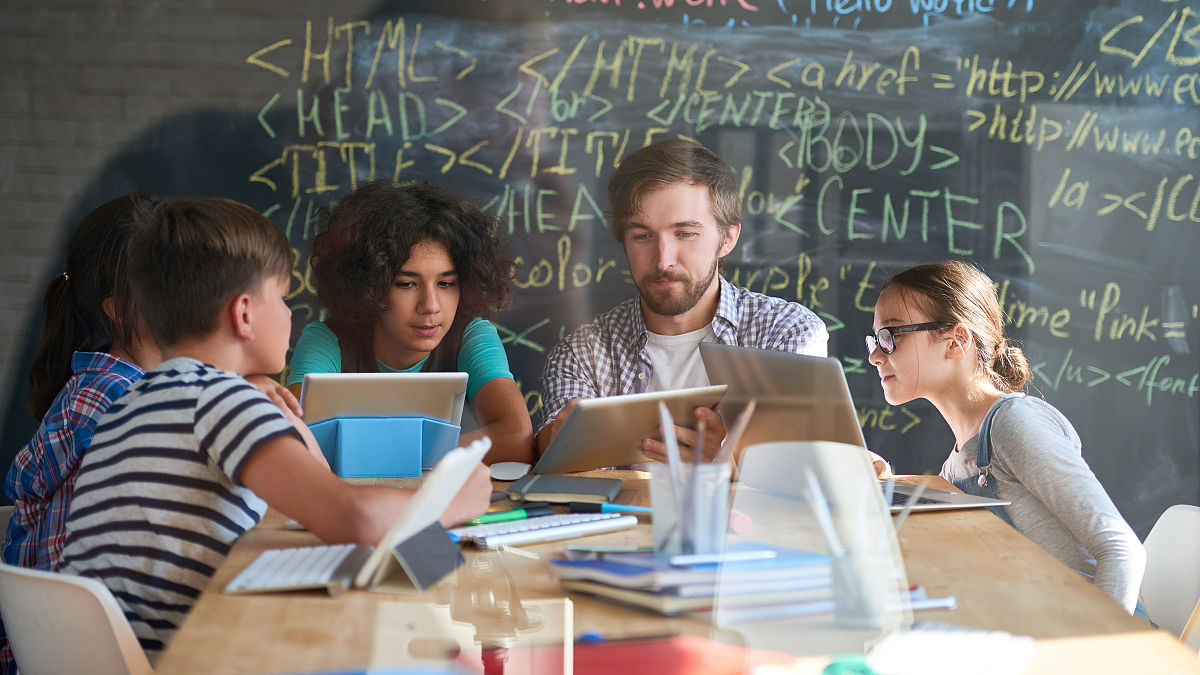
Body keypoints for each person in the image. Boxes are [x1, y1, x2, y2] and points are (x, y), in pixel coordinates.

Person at [56, 197, 491, 663]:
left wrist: (272, 407)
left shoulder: (138, 398)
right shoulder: (219, 402)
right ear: (244, 314)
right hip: (186, 659)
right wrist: (455, 501)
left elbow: (324, 483)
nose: (289, 314)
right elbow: (355, 519)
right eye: (283, 298)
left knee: (402, 582)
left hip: (134, 654)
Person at [867, 260, 1145, 613]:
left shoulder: (1013, 424)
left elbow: (1121, 550)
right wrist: (889, 482)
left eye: (891, 336)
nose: (876, 355)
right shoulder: (960, 459)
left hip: (1090, 637)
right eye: (874, 339)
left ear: (955, 341)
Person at [534, 138, 829, 462]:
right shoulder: (584, 353)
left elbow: (798, 476)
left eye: (685, 233)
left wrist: (727, 462)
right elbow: (560, 477)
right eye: (642, 236)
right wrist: (554, 447)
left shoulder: (786, 333)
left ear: (728, 238)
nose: (663, 260)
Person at [287, 181, 533, 465]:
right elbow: (291, 442)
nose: (430, 305)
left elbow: (518, 438)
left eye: (445, 283)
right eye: (406, 284)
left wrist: (371, 454)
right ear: (369, 285)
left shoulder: (471, 336)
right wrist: (434, 454)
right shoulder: (326, 342)